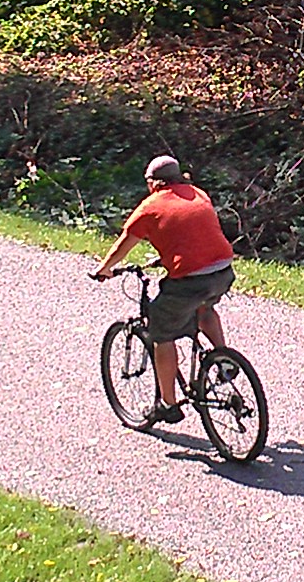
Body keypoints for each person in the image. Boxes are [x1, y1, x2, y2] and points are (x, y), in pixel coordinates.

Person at [91, 154, 235, 424]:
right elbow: (193, 232)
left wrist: (104, 268)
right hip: (223, 270)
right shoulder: (198, 194)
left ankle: (168, 404)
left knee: (162, 334)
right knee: (205, 309)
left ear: (153, 183)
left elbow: (125, 242)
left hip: (191, 280)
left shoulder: (150, 206)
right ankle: (224, 359)